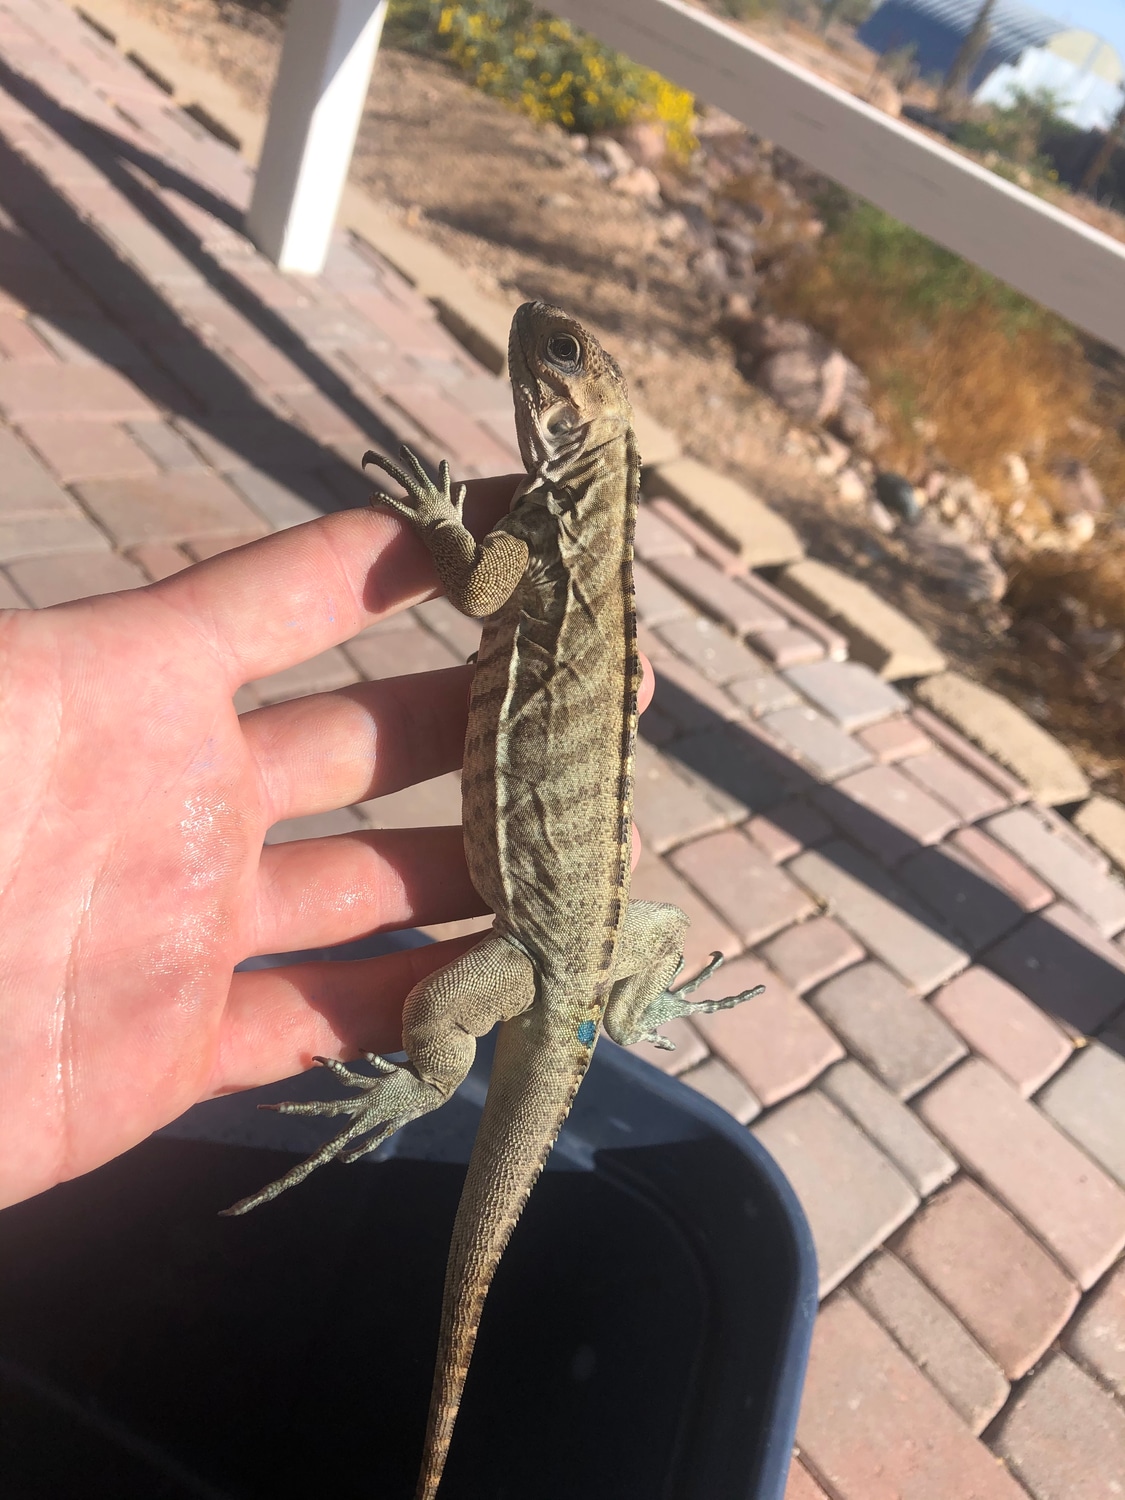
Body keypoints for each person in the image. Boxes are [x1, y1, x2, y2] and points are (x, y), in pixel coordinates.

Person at [0, 476, 653, 1212]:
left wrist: (442, 521)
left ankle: (435, 1082)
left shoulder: (539, 532)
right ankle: (638, 1008)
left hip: (546, 959)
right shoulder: (561, 537)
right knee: (662, 927)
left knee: (434, 1017)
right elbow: (483, 586)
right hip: (598, 940)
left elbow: (476, 589)